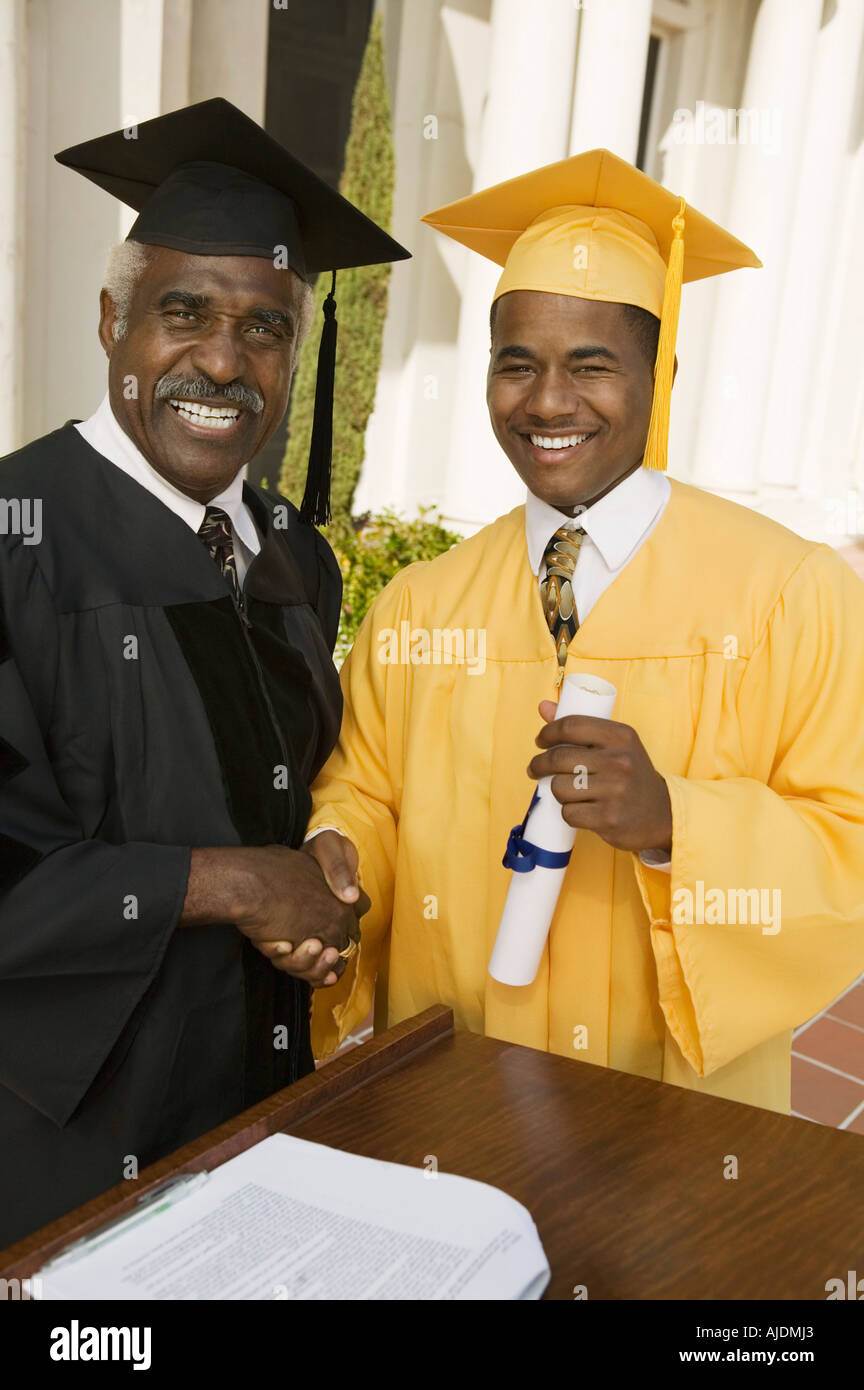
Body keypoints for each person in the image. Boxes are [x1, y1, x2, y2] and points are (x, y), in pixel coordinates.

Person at [305, 148, 864, 1114]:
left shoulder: (791, 594)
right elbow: (368, 794)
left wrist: (674, 825)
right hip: (454, 1087)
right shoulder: (422, 607)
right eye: (516, 364)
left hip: (677, 1109)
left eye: (591, 366)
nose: (549, 402)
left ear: (663, 371)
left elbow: (847, 841)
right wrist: (336, 859)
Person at [0, 97, 408, 1247]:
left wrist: (324, 867)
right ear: (110, 321)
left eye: (265, 328)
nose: (222, 361)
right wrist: (233, 882)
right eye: (183, 313)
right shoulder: (14, 537)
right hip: (60, 1135)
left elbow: (290, 780)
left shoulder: (294, 556)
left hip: (258, 1097)